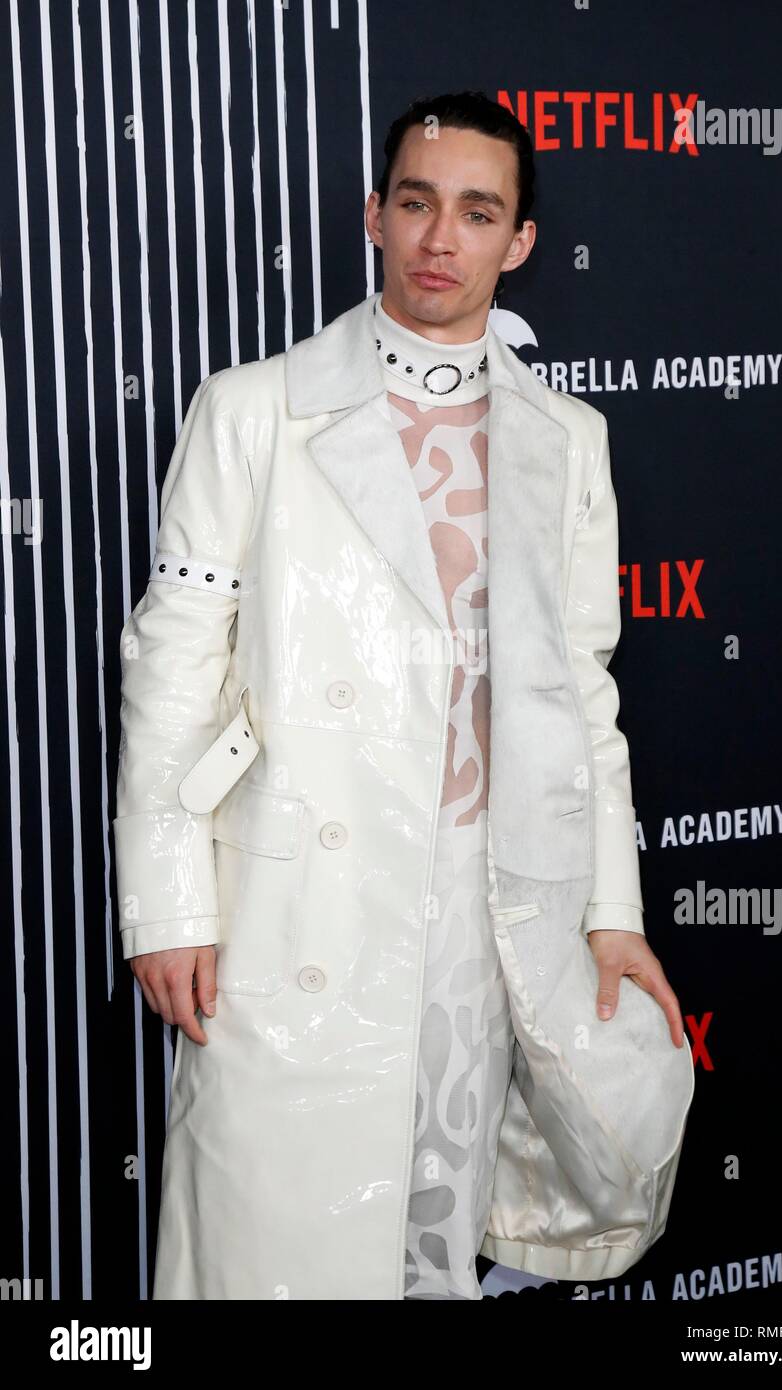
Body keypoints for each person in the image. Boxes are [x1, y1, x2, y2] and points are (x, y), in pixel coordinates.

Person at [115, 90, 694, 1301]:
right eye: (417, 204)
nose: (442, 238)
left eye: (477, 212)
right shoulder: (253, 409)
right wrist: (165, 904)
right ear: (373, 215)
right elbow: (171, 660)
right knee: (270, 1249)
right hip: (296, 901)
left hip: (484, 912)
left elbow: (582, 692)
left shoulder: (565, 437)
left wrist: (609, 905)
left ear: (517, 241)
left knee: (431, 1237)